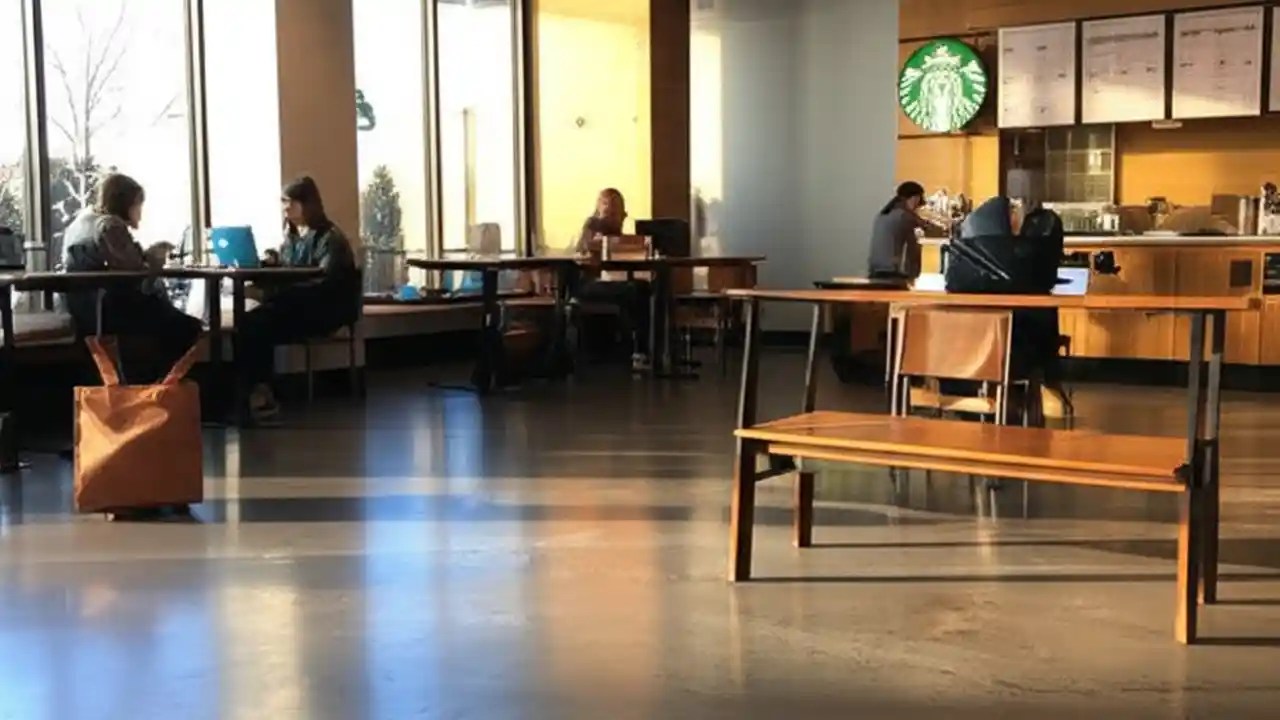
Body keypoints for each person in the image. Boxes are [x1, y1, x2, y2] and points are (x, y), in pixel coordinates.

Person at [239, 176, 358, 422]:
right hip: (297, 305)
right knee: (251, 323)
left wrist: (280, 289)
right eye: (284, 202)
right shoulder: (292, 238)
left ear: (308, 204)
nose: (286, 208)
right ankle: (256, 391)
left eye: (291, 202)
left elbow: (327, 282)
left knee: (257, 324)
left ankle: (260, 392)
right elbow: (288, 272)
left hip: (323, 309)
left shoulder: (330, 239)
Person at [62, 173, 201, 383]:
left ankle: (152, 384)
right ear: (126, 203)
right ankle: (158, 389)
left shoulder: (79, 224)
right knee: (188, 328)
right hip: (115, 311)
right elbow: (136, 275)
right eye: (138, 205)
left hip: (86, 311)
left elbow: (114, 262)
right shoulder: (110, 225)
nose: (140, 212)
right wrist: (155, 260)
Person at [573, 188, 651, 370]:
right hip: (587, 285)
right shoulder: (592, 227)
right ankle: (641, 350)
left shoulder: (621, 237)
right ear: (598, 210)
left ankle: (646, 347)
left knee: (643, 288)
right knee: (638, 290)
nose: (611, 216)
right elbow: (586, 254)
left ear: (624, 215)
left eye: (616, 211)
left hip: (609, 281)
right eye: (607, 209)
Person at [867, 181, 926, 280]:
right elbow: (912, 249)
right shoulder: (904, 216)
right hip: (891, 272)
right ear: (915, 198)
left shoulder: (884, 214)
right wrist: (913, 274)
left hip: (875, 269)